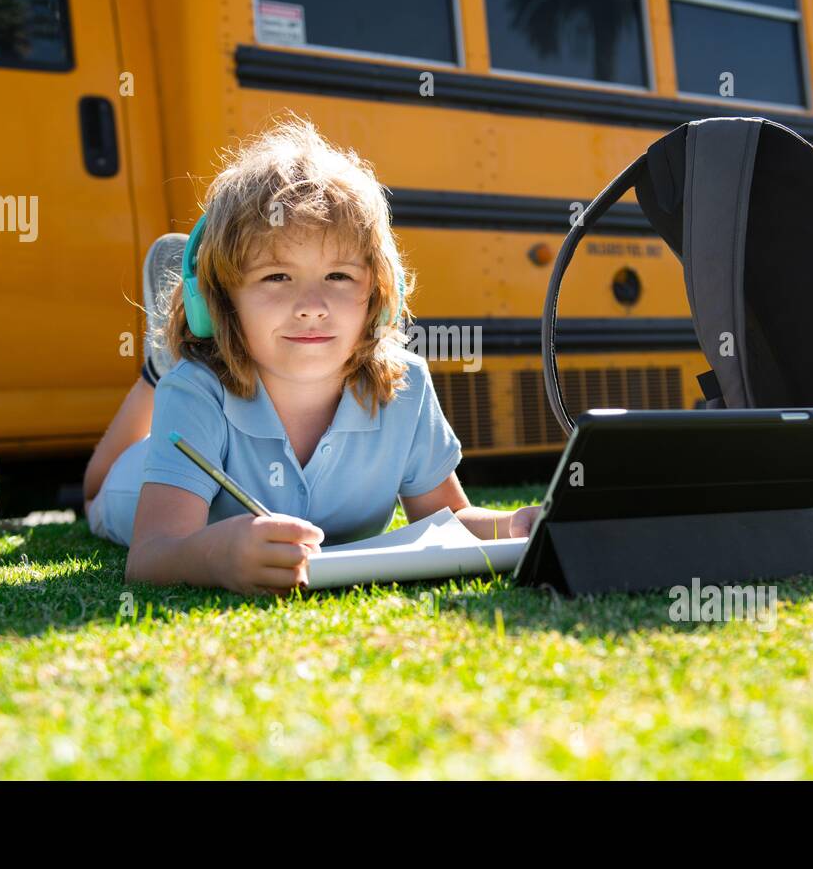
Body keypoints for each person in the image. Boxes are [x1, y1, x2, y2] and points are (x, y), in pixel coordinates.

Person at [82, 115, 540, 595]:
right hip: (134, 485)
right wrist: (218, 555)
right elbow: (152, 553)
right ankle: (160, 368)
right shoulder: (198, 392)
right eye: (276, 277)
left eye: (339, 277)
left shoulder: (406, 385)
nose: (312, 308)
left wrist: (514, 525)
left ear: (382, 296)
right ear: (220, 302)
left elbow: (451, 520)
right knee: (97, 492)